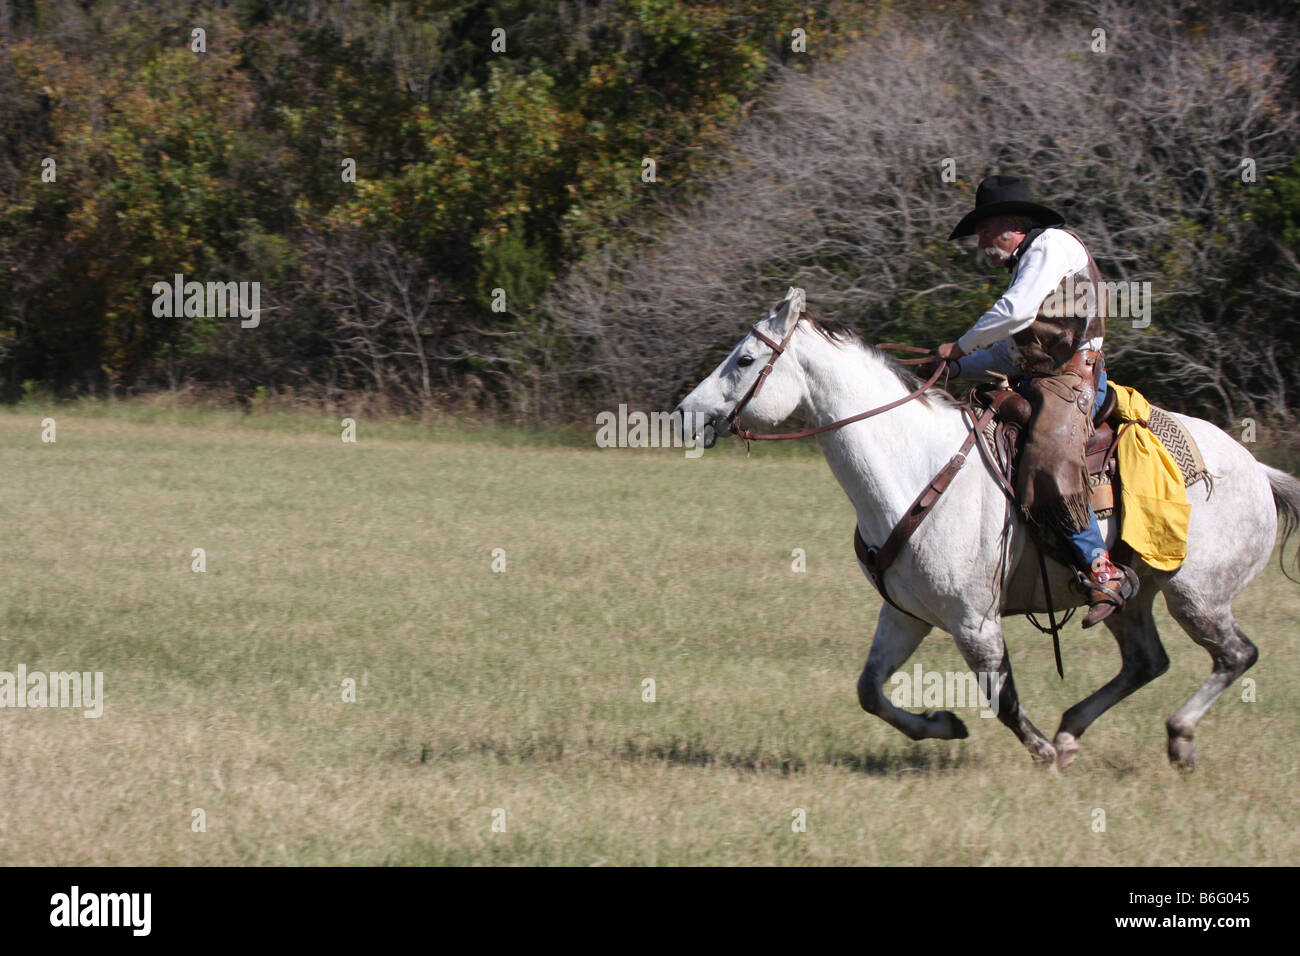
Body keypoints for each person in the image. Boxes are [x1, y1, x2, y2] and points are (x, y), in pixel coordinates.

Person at [918, 175, 1136, 626]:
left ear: (1016, 223)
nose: (980, 243)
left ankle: (1102, 569)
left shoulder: (1051, 245)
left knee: (1048, 456)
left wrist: (957, 347)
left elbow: (1014, 312)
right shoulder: (1030, 263)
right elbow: (1011, 353)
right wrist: (952, 369)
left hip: (1075, 379)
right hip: (1039, 379)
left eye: (984, 230)